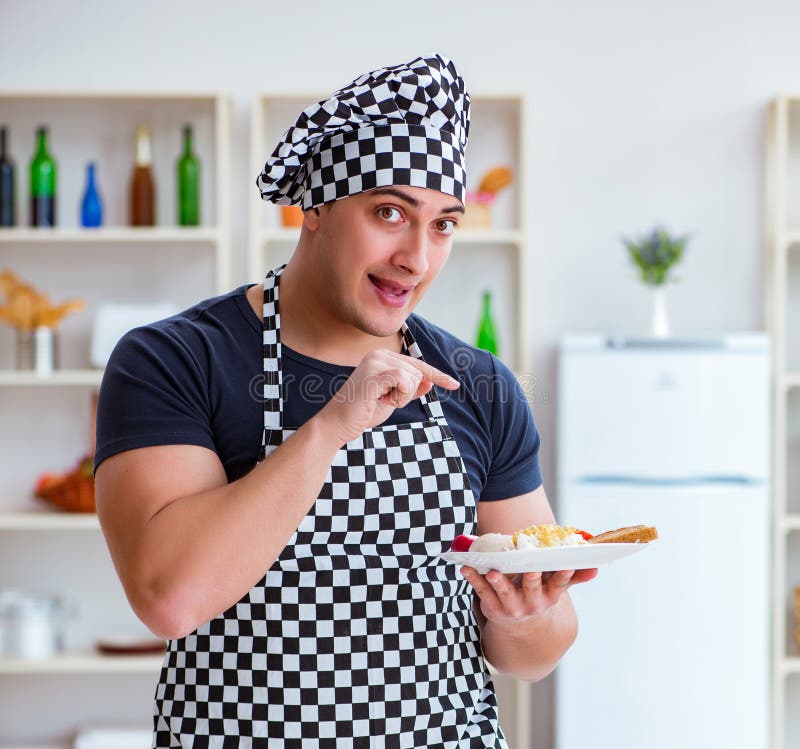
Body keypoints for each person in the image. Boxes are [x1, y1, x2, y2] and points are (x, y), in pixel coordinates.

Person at [94, 53, 596, 748]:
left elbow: (538, 655)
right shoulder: (175, 360)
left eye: (444, 224)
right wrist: (333, 424)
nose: (417, 258)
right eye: (390, 212)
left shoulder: (478, 384)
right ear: (316, 211)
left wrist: (523, 614)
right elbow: (169, 597)